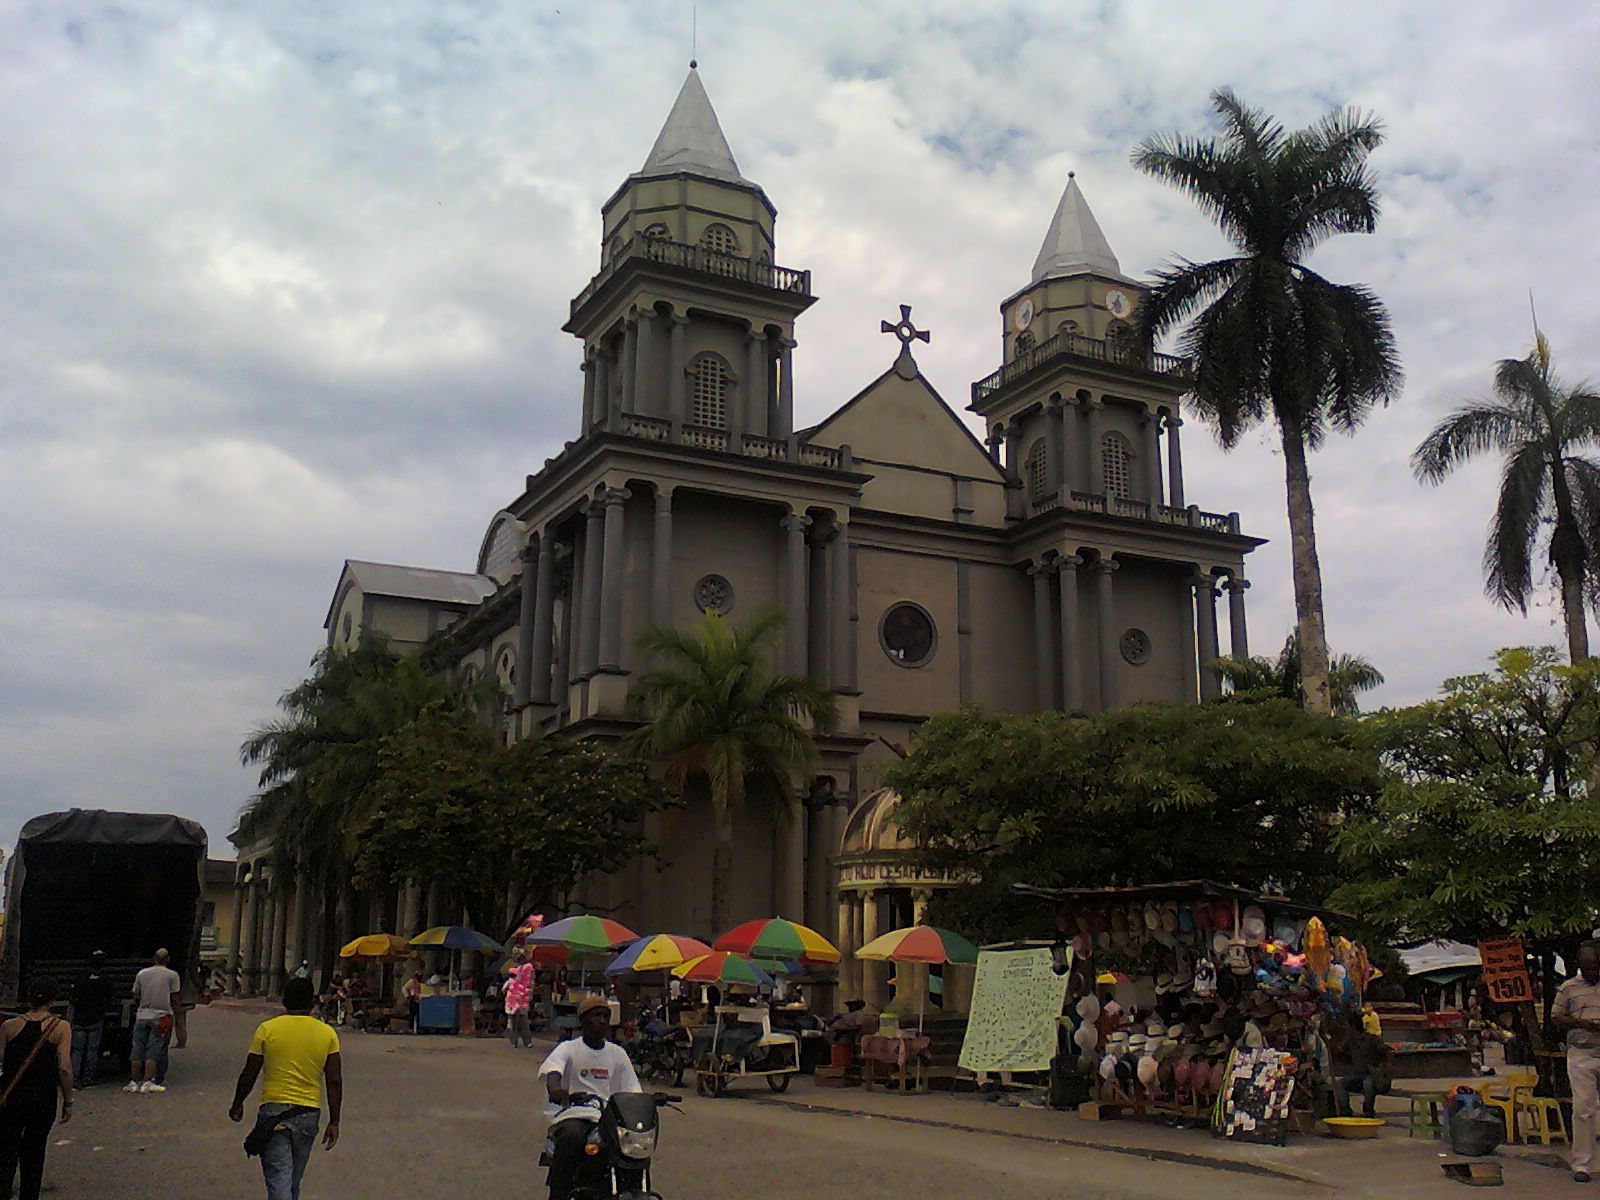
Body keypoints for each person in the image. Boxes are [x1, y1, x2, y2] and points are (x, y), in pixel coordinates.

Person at [229, 977, 343, 1200]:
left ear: (284, 1001)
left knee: (280, 1180)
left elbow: (250, 1072)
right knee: (292, 1182)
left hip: (273, 1114)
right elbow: (334, 1081)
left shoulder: (267, 1029)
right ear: (312, 1002)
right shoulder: (327, 1033)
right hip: (308, 1115)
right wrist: (334, 1121)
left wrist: (237, 1103)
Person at [540, 994, 641, 1200]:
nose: (602, 1021)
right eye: (596, 1016)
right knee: (571, 1137)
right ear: (583, 1020)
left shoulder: (617, 1053)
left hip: (606, 1117)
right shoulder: (568, 1048)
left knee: (632, 1148)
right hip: (573, 1113)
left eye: (606, 1016)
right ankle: (558, 1194)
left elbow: (632, 1088)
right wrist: (556, 1090)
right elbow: (553, 1071)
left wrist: (646, 1101)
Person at [0, 980, 72, 1200]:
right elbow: (64, 1067)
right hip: (42, 1098)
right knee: (34, 1150)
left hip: (11, 1096)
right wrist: (68, 1100)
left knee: (6, 1150)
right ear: (52, 1001)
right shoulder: (60, 1027)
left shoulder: (8, 1026)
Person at [1552, 941, 1600, 1183]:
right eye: (1588, 967)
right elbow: (1556, 1017)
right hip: (1582, 1053)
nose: (1593, 972)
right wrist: (1581, 1023)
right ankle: (1582, 1164)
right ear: (1580, 965)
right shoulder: (1568, 988)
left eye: (1596, 967)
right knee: (1583, 1109)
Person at [127, 948, 180, 1094]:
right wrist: (176, 1015)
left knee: (137, 1049)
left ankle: (134, 1082)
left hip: (142, 1016)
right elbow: (175, 997)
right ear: (168, 959)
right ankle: (148, 1081)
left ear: (154, 958)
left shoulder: (142, 973)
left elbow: (136, 994)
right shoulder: (172, 975)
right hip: (161, 1017)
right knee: (153, 1051)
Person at [1337, 1011, 1393, 1119]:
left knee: (1368, 1084)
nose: (1345, 1027)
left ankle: (1368, 1113)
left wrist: (1388, 1066)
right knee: (1341, 1084)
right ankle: (1346, 1111)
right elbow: (1339, 1051)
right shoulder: (1350, 1040)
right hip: (1358, 1077)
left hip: (1373, 1076)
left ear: (1353, 1026)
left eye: (1347, 1025)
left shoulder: (1372, 1039)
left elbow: (1387, 1052)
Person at [67, 951, 109, 1089]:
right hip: (96, 1018)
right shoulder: (105, 979)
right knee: (92, 1050)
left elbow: (73, 996)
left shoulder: (81, 977)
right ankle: (88, 1079)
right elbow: (110, 996)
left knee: (77, 1050)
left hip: (80, 1018)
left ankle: (74, 1080)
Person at [505, 958, 535, 1049]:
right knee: (517, 1022)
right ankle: (518, 1042)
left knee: (521, 1022)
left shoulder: (526, 978)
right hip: (513, 1002)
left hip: (519, 1002)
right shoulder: (515, 977)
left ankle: (521, 1042)